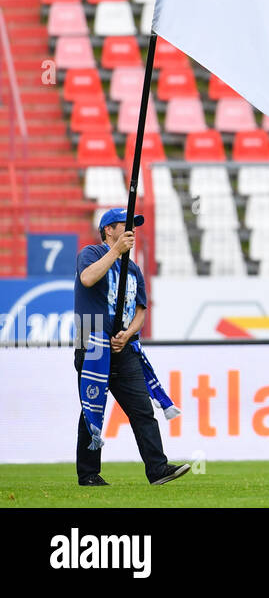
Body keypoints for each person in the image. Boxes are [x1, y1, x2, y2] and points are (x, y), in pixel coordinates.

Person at [73, 208, 190, 487]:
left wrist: (128, 334)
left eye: (133, 226)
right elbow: (88, 279)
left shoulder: (133, 269)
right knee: (93, 408)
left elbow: (140, 310)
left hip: (122, 347)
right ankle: (88, 474)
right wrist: (115, 252)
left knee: (141, 408)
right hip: (92, 343)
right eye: (124, 225)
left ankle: (158, 469)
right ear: (108, 230)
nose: (131, 230)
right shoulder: (91, 253)